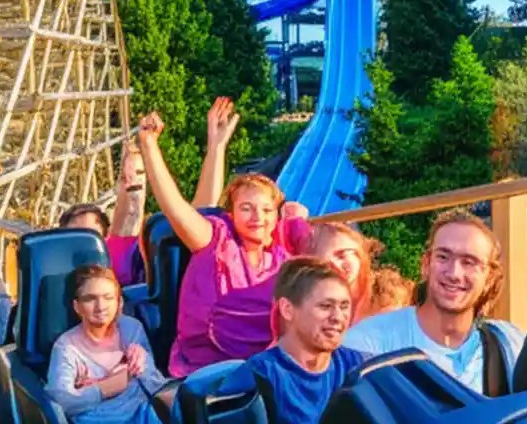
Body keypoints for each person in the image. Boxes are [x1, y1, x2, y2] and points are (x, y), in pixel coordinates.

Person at [136, 110, 310, 376]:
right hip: (209, 370)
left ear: (276, 215)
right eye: (247, 209)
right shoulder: (215, 240)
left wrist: (298, 221)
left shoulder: (283, 257)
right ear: (231, 214)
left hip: (265, 368)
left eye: (266, 210)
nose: (257, 218)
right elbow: (175, 207)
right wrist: (149, 147)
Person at [341, 208, 526, 393]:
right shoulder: (369, 344)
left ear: (490, 278)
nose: (454, 273)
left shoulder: (507, 346)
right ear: (425, 265)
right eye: (443, 257)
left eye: (469, 262)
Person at [220, 257, 367, 424]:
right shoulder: (258, 377)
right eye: (326, 306)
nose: (338, 317)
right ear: (287, 310)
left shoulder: (359, 367)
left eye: (344, 306)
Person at [46, 265, 167, 423]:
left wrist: (143, 362)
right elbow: (61, 400)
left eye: (108, 298)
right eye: (90, 299)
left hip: (142, 413)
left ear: (119, 302)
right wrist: (107, 387)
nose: (101, 307)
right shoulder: (66, 347)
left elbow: (154, 384)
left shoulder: (131, 328)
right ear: (77, 306)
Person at [59, 145, 148, 286]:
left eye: (90, 235)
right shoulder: (55, 272)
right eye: (76, 234)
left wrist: (132, 165)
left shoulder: (116, 256)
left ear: (104, 237)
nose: (85, 242)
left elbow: (132, 209)